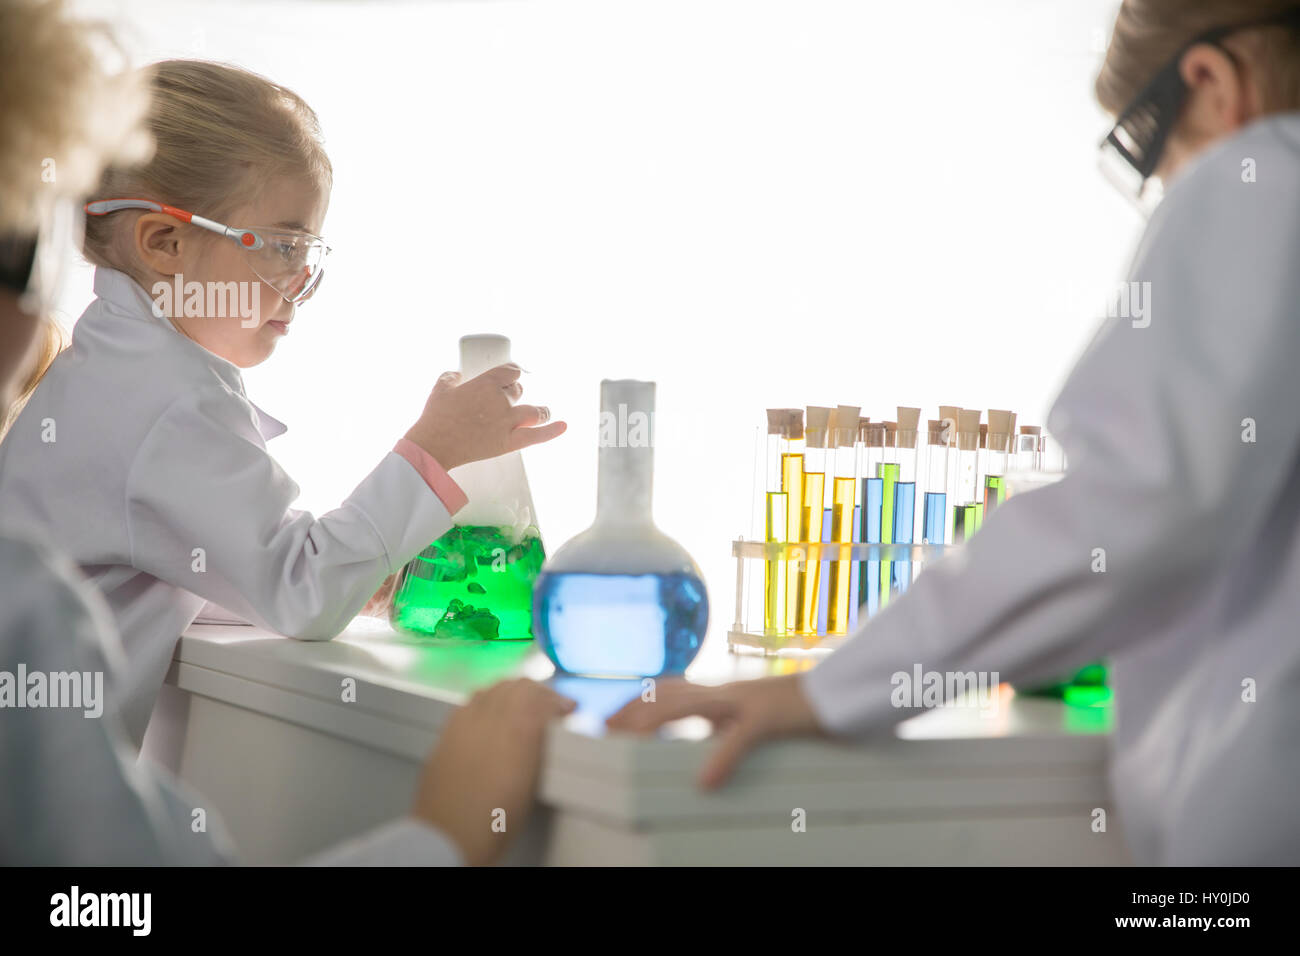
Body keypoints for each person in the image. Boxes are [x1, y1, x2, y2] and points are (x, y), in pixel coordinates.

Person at [610, 0, 1300, 866]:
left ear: (1209, 83)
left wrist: (827, 692)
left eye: (1154, 161)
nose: (1162, 196)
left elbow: (1134, 504)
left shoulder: (1262, 174)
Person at [0, 0, 573, 866]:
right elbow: (300, 590)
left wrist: (368, 563)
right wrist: (437, 450)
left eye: (312, 252)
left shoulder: (110, 377)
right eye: (279, 244)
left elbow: (189, 557)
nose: (302, 279)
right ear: (164, 243)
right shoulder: (166, 402)